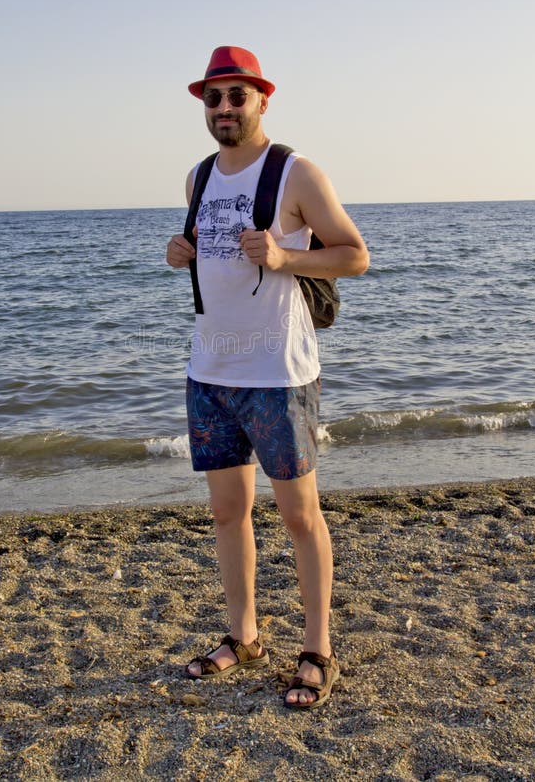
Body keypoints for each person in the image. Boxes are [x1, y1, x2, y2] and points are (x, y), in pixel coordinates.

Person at [166, 46, 370, 709]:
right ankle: (244, 637)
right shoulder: (197, 176)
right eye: (212, 97)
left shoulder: (294, 172)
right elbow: (214, 258)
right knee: (227, 513)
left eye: (235, 95)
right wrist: (182, 252)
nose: (223, 108)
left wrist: (284, 256)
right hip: (210, 371)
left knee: (299, 517)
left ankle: (317, 650)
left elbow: (354, 255)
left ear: (261, 100)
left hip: (278, 374)